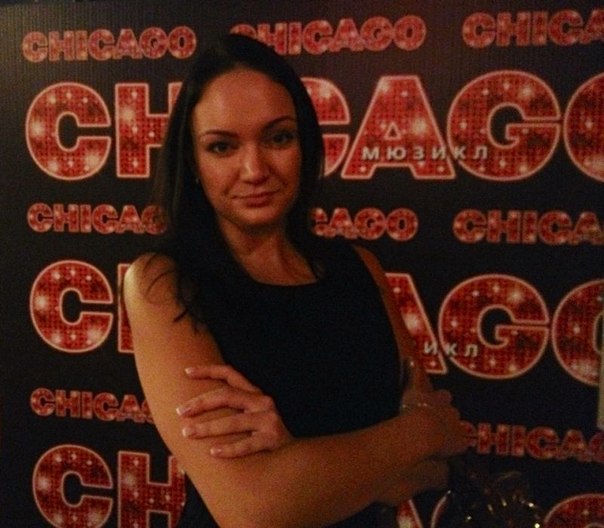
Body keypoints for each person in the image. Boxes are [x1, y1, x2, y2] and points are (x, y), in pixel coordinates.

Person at [123, 33, 468, 528]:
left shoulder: (359, 267)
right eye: (222, 146)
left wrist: (297, 462)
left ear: (305, 145)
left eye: (278, 138)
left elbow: (434, 468)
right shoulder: (164, 283)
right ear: (194, 163)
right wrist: (422, 431)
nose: (254, 169)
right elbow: (254, 509)